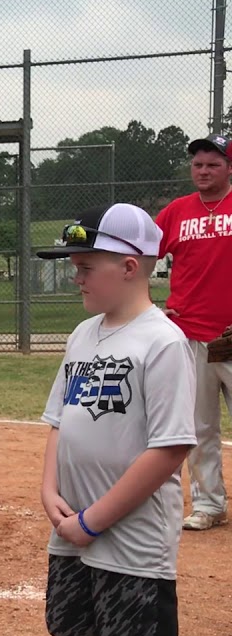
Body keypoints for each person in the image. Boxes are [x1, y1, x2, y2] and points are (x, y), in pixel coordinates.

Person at [34, 203, 196, 636]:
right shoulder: (83, 335)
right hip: (73, 524)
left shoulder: (162, 341)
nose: (74, 277)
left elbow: (170, 448)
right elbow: (60, 418)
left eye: (86, 267)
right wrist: (49, 489)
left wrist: (94, 520)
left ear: (129, 266)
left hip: (129, 536)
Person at [154, 133, 232, 531]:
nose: (203, 171)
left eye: (213, 164)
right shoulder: (177, 212)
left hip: (231, 336)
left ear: (229, 168)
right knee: (199, 428)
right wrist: (147, 305)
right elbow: (140, 252)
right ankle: (209, 505)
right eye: (198, 164)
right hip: (189, 335)